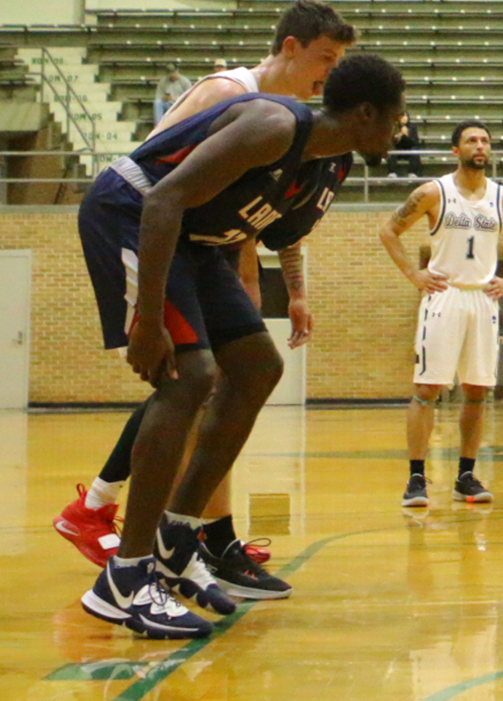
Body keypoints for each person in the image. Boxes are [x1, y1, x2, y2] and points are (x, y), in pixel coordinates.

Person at [77, 54, 405, 638]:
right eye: (396, 118)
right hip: (131, 215)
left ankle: (176, 538)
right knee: (191, 377)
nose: (401, 130)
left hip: (197, 243)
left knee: (257, 365)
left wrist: (281, 294)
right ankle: (123, 578)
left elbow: (273, 235)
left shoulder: (331, 166)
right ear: (365, 113)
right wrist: (149, 320)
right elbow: (162, 201)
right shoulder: (274, 126)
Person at [55, 0, 357, 597]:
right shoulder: (229, 93)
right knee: (193, 380)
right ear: (290, 48)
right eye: (324, 58)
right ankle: (113, 514)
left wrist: (290, 290)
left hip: (214, 252)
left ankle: (197, 536)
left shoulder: (300, 128)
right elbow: (161, 189)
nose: (329, 75)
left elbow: (267, 218)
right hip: (161, 235)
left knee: (234, 378)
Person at [381, 120, 503, 507]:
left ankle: (465, 474)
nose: (480, 146)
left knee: (477, 392)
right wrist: (413, 274)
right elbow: (389, 230)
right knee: (426, 389)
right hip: (444, 296)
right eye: (471, 140)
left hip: (482, 300)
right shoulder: (433, 192)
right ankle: (416, 478)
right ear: (456, 150)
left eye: (485, 140)